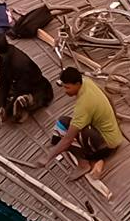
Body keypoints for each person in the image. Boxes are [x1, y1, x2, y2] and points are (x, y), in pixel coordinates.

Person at [52, 65, 122, 196]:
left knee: (66, 130)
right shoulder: (87, 82)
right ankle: (98, 158)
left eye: (67, 87)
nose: (65, 91)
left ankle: (84, 163)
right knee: (66, 126)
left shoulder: (84, 105)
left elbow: (68, 139)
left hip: (108, 145)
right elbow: (108, 98)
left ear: (77, 84)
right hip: (113, 136)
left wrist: (48, 157)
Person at [0, 35, 52, 124]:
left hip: (36, 88)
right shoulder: (5, 55)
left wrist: (7, 110)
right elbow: (3, 81)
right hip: (20, 84)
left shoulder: (20, 63)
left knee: (21, 103)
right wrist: (1, 105)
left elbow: (21, 89)